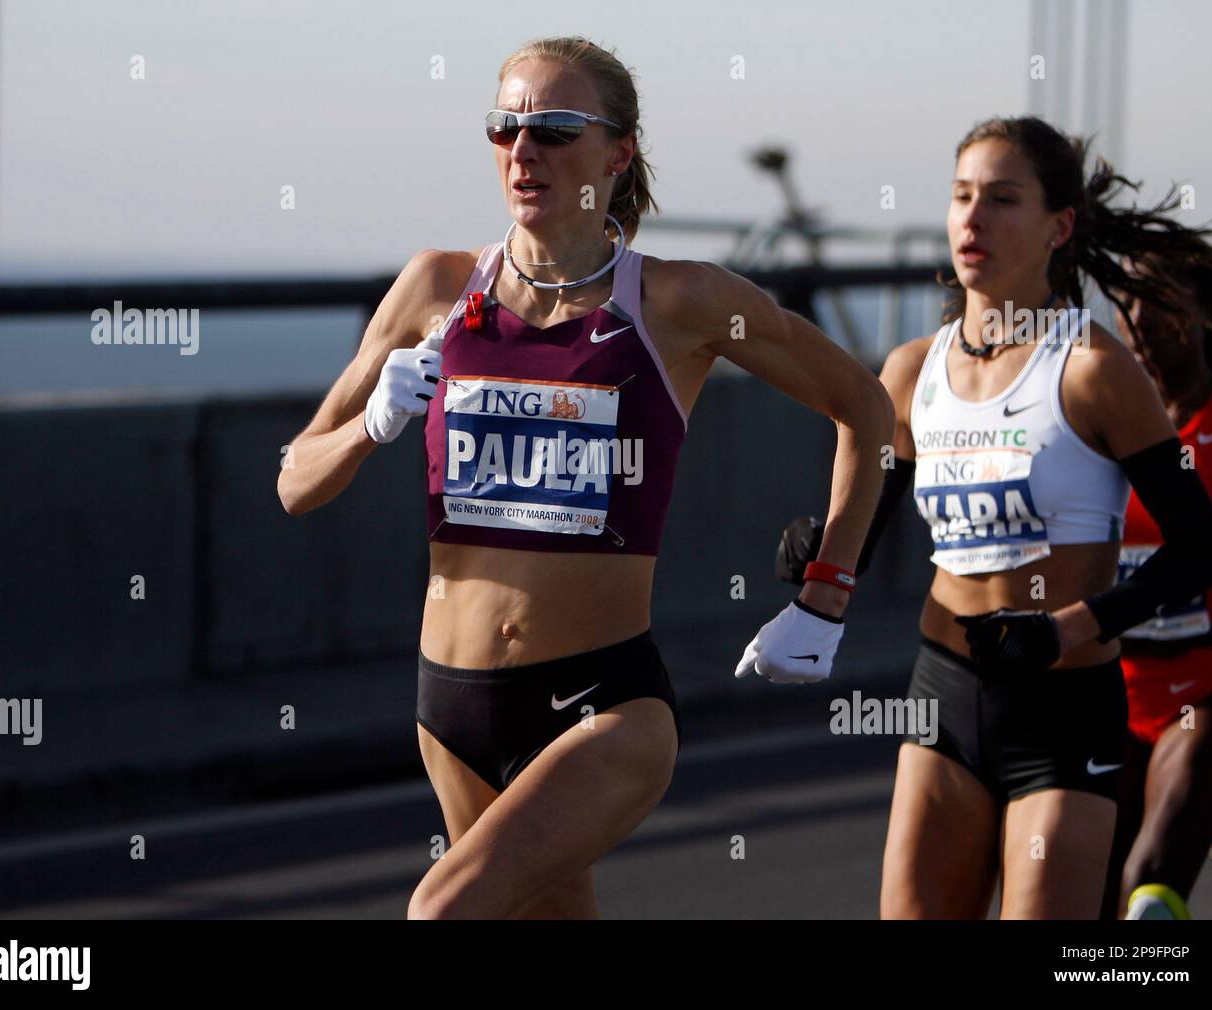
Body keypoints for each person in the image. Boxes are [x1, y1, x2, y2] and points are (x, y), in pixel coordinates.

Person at [277, 35, 892, 919]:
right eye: (505, 126)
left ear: (618, 152)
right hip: (450, 704)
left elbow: (867, 409)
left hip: (603, 708)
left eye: (557, 128)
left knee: (440, 911)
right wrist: (372, 425)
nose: (524, 150)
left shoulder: (682, 302)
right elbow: (297, 481)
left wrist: (827, 591)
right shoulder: (434, 289)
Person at [782, 116, 1212, 918]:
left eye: (1002, 199)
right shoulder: (912, 370)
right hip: (943, 692)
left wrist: (1069, 627)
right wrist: (819, 554)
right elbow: (870, 521)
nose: (972, 219)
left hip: (1062, 715)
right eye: (960, 197)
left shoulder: (1094, 370)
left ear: (1059, 227)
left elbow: (1200, 550)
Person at [1099, 248, 1212, 920]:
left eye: (1159, 302)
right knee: (1079, 893)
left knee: (1147, 895)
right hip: (1113, 695)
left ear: (1207, 312)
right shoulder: (1093, 429)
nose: (1138, 318)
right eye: (1126, 302)